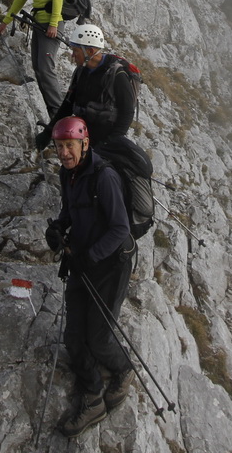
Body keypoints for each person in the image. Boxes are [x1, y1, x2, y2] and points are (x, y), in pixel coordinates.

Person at [43, 116, 136, 439]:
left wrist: (89, 257)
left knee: (97, 337)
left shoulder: (105, 177)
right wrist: (57, 229)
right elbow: (71, 212)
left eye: (70, 145)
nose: (64, 153)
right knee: (72, 338)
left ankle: (123, 370)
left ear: (85, 144)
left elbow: (120, 229)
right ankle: (93, 396)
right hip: (82, 260)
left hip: (110, 265)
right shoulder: (66, 175)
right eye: (59, 147)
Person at [0, 0, 65, 117]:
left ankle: (59, 113)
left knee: (45, 67)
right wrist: (6, 21)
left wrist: (53, 24)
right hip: (39, 23)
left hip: (50, 24)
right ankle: (49, 108)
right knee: (37, 65)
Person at [38, 24, 135, 149]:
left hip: (104, 140)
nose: (72, 55)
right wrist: (48, 132)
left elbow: (127, 112)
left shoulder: (117, 75)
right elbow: (67, 105)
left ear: (90, 51)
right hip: (83, 138)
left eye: (76, 51)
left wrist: (109, 143)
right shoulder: (81, 71)